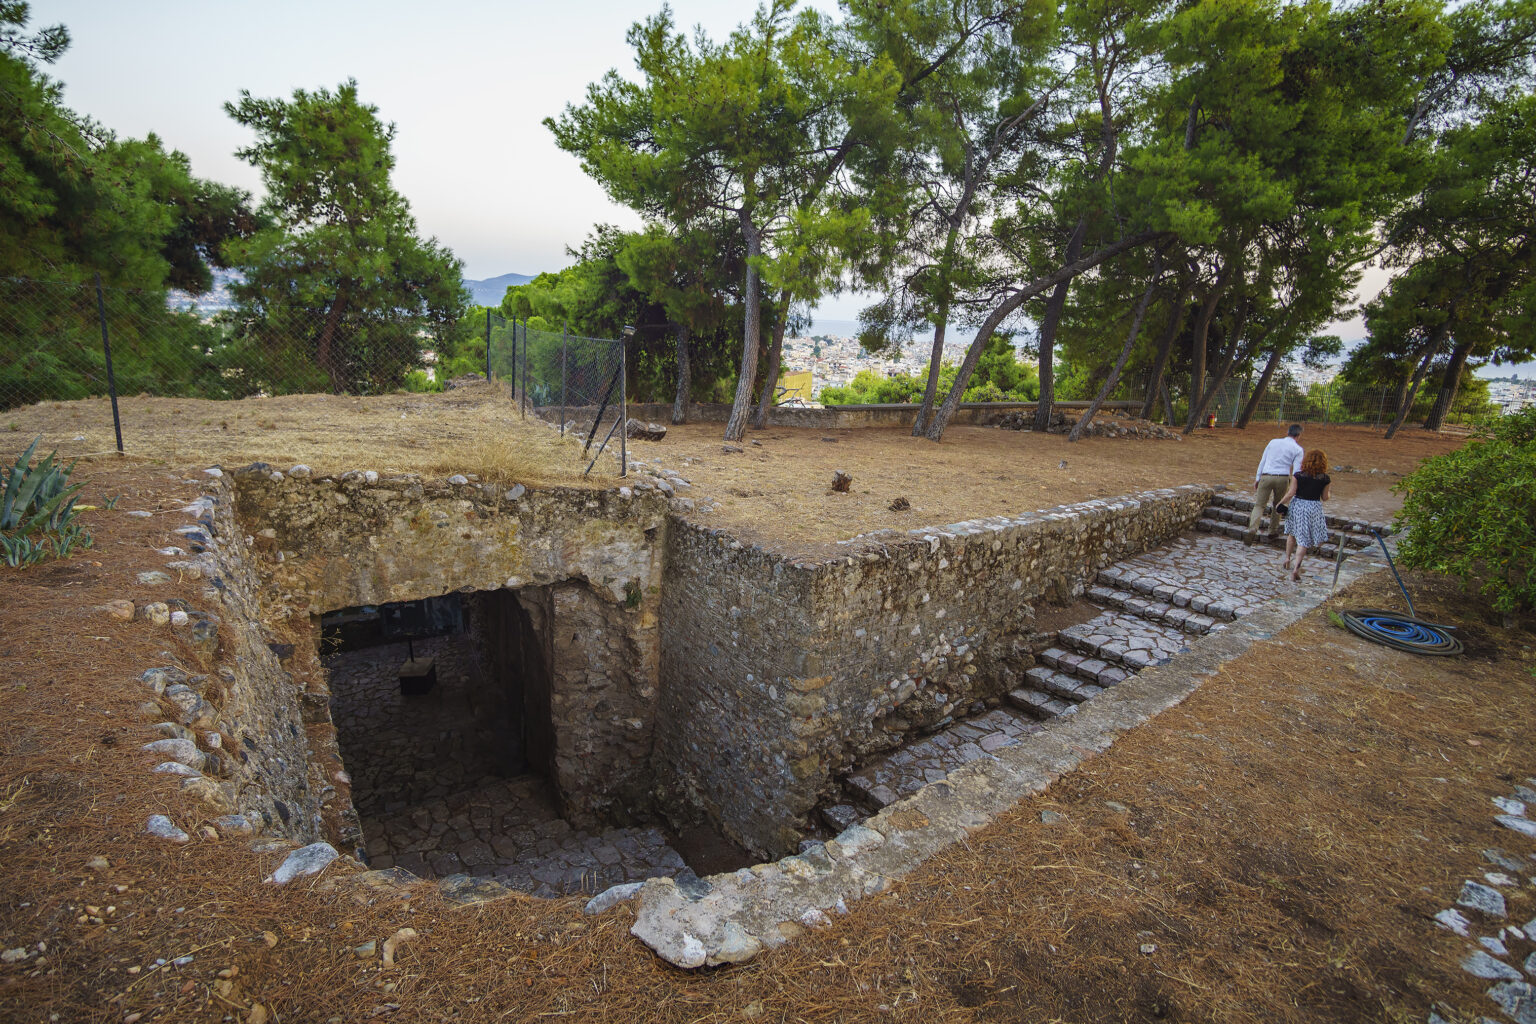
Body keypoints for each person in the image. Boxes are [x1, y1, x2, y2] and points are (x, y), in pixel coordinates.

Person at [1279, 448, 1332, 581]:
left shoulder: (1298, 475)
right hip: (1313, 507)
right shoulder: (1325, 479)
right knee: (1303, 540)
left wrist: (1280, 503)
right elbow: (1325, 497)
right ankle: (1297, 567)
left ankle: (1287, 559)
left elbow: (1291, 493)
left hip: (1297, 505)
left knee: (1292, 534)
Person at [1246, 423, 1304, 543]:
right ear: (1298, 436)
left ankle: (1252, 528)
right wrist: (1295, 486)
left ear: (1287, 432)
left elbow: (1263, 460)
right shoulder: (1298, 449)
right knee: (1278, 504)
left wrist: (1257, 478)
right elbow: (1297, 471)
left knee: (1259, 505)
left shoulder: (1273, 442)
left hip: (1266, 476)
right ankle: (1272, 530)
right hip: (1283, 477)